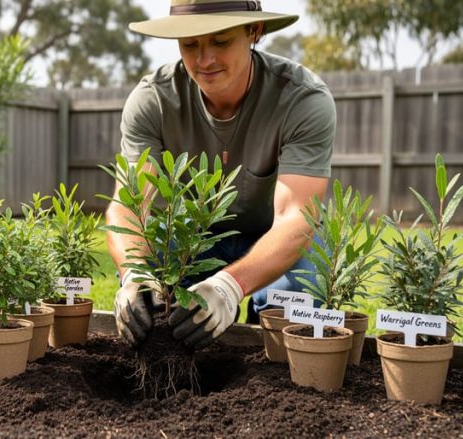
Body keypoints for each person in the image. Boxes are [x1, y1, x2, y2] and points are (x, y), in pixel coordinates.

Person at [107, 0, 336, 349]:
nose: (204, 60)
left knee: (299, 290)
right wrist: (134, 272)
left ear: (253, 32)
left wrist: (229, 286)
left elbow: (297, 217)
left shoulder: (301, 99)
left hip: (271, 234)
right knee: (157, 307)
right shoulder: (153, 100)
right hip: (190, 236)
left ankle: (267, 362)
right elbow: (129, 205)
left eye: (221, 41)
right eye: (191, 44)